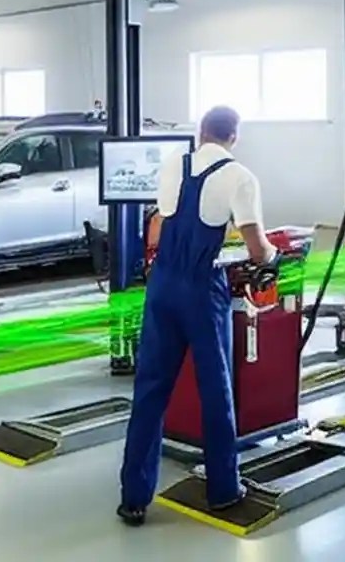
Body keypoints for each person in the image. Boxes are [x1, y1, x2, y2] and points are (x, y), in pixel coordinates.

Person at [117, 105, 277, 527]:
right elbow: (257, 248)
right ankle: (224, 490)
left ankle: (133, 498)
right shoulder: (241, 177)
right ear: (234, 137)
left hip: (162, 287)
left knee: (150, 390)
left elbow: (160, 225)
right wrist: (273, 256)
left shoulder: (173, 165)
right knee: (216, 389)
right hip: (202, 291)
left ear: (200, 132)